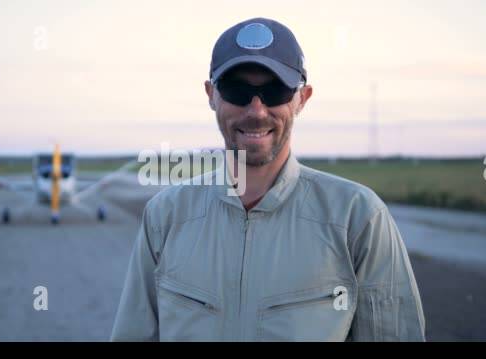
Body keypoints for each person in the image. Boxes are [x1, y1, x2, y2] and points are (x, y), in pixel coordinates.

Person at [111, 17, 425, 341]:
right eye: (237, 90)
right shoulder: (165, 217)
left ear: (302, 98)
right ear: (210, 94)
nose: (257, 110)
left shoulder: (358, 219)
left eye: (275, 91)